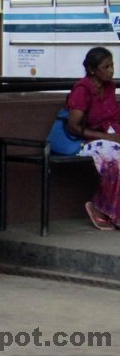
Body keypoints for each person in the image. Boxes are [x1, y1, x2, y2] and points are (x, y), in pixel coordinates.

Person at [65, 47, 120, 230]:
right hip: (90, 141)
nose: (111, 70)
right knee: (114, 161)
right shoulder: (83, 89)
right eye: (106, 66)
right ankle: (101, 208)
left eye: (112, 65)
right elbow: (73, 126)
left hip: (113, 137)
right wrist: (107, 137)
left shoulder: (110, 87)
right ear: (92, 70)